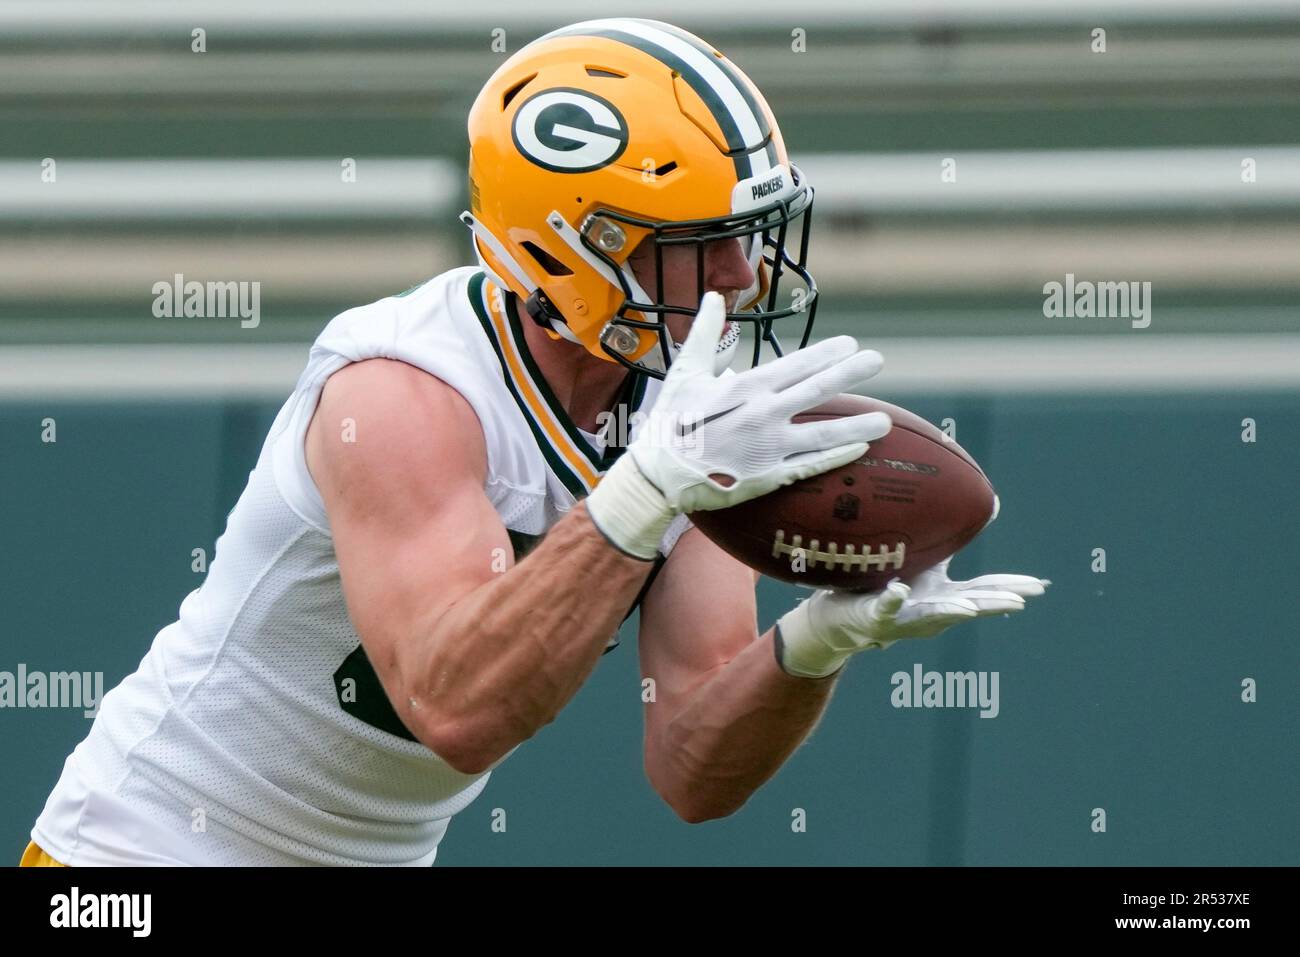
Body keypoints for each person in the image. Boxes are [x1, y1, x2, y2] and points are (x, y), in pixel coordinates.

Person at [22, 17, 1046, 867]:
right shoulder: (399, 392)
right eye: (694, 242)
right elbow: (452, 708)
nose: (739, 276)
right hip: (142, 857)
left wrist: (817, 643)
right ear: (569, 247)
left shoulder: (680, 415)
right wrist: (644, 493)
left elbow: (692, 767)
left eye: (747, 234)